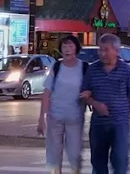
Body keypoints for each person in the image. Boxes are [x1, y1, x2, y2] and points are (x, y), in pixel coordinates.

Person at [80, 34, 130, 174]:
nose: (102, 54)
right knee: (98, 162)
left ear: (116, 51)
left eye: (106, 50)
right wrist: (94, 103)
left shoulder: (127, 70)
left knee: (120, 160)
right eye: (100, 50)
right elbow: (84, 93)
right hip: (98, 123)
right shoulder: (93, 69)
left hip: (119, 123)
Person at [38, 35, 87, 174]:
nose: (67, 50)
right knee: (53, 154)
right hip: (55, 117)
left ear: (76, 48)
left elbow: (91, 89)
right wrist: (41, 118)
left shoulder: (83, 67)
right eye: (64, 46)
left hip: (75, 118)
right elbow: (46, 93)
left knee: (74, 154)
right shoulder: (56, 67)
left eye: (71, 46)